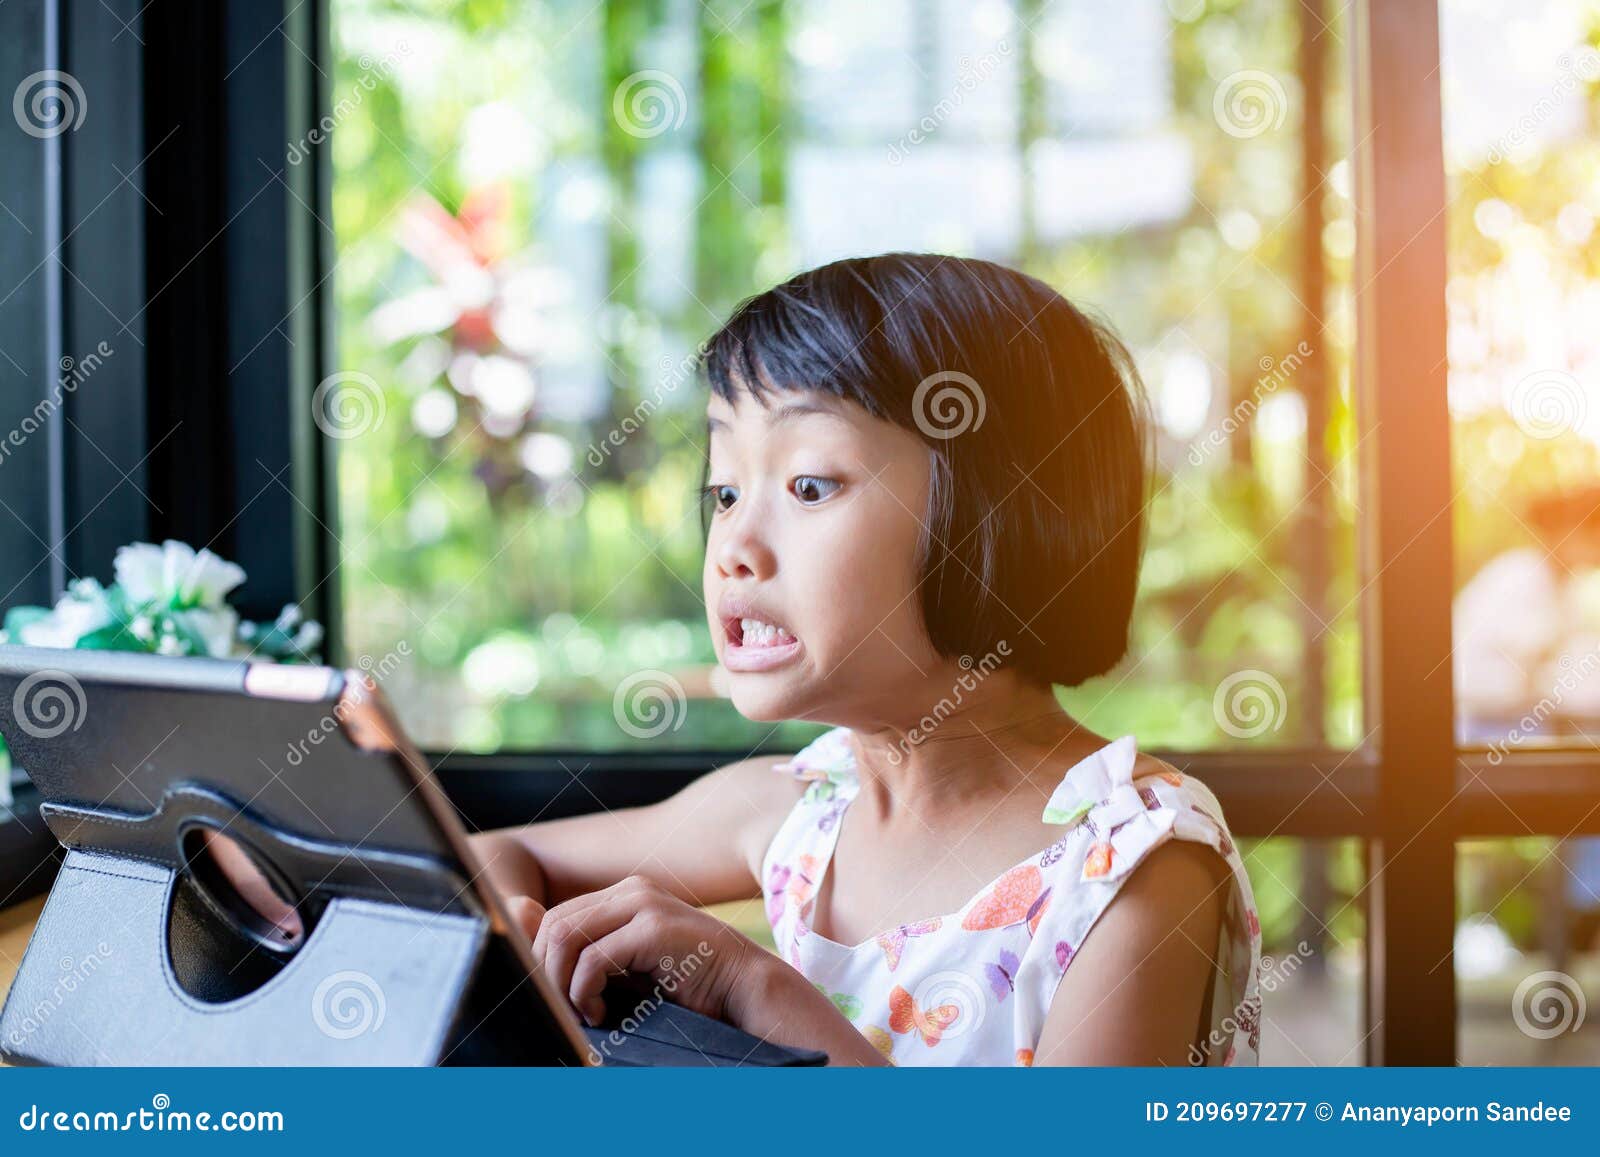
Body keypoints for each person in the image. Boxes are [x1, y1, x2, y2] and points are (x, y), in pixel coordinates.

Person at [469, 253, 1263, 1066]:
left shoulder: (1132, 870)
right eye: (726, 490)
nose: (733, 547)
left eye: (810, 486)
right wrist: (527, 939)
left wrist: (761, 991)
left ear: (998, 513)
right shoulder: (802, 814)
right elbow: (491, 856)